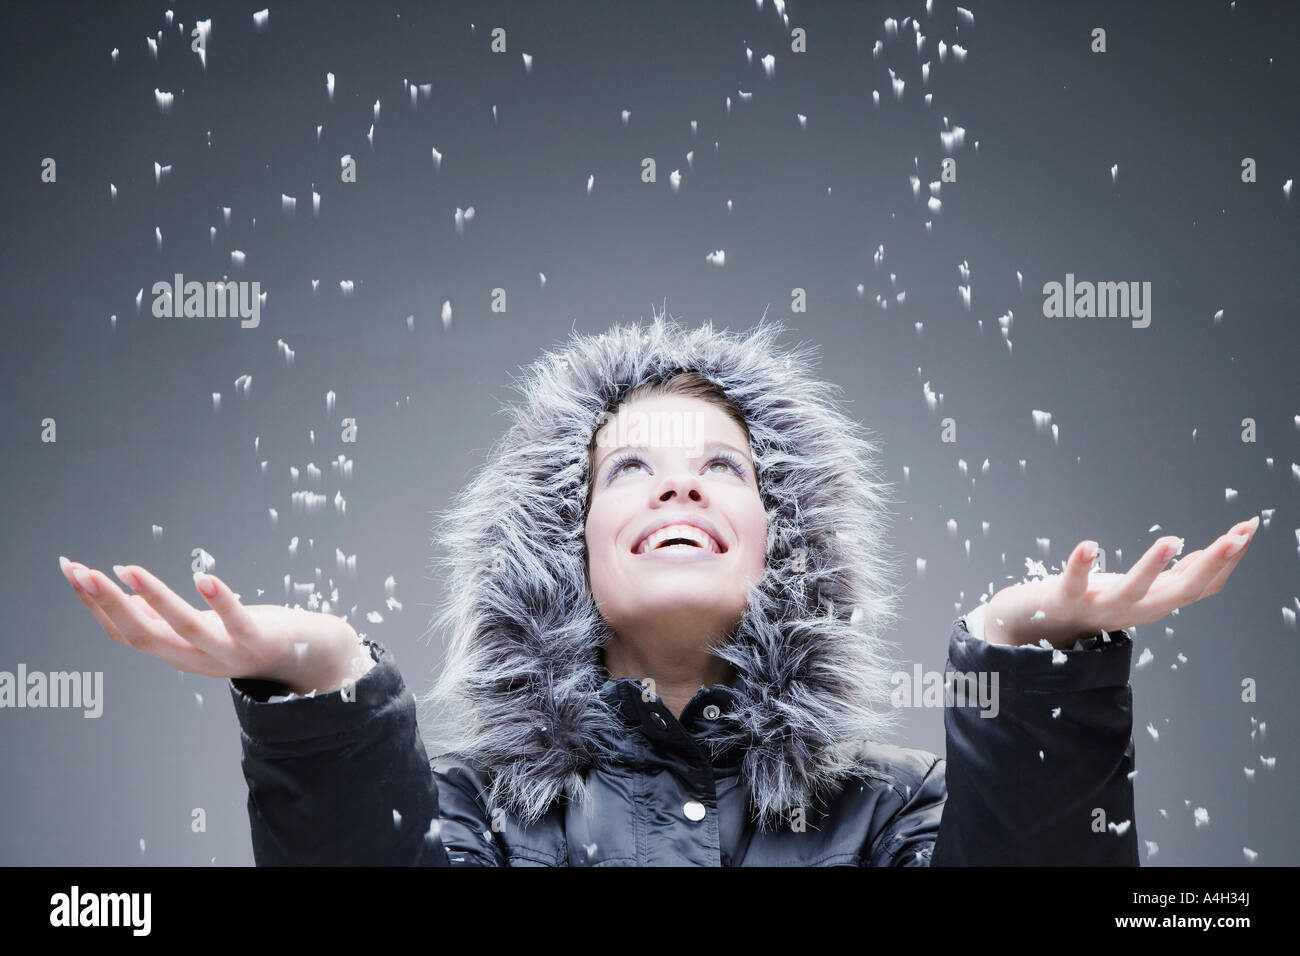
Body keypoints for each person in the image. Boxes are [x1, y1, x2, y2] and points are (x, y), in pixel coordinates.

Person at [59, 312, 1257, 866]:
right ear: (562, 543)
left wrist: (1025, 654)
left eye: (720, 466)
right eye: (629, 466)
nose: (677, 489)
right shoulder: (473, 811)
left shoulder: (893, 815)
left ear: (779, 540)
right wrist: (320, 681)